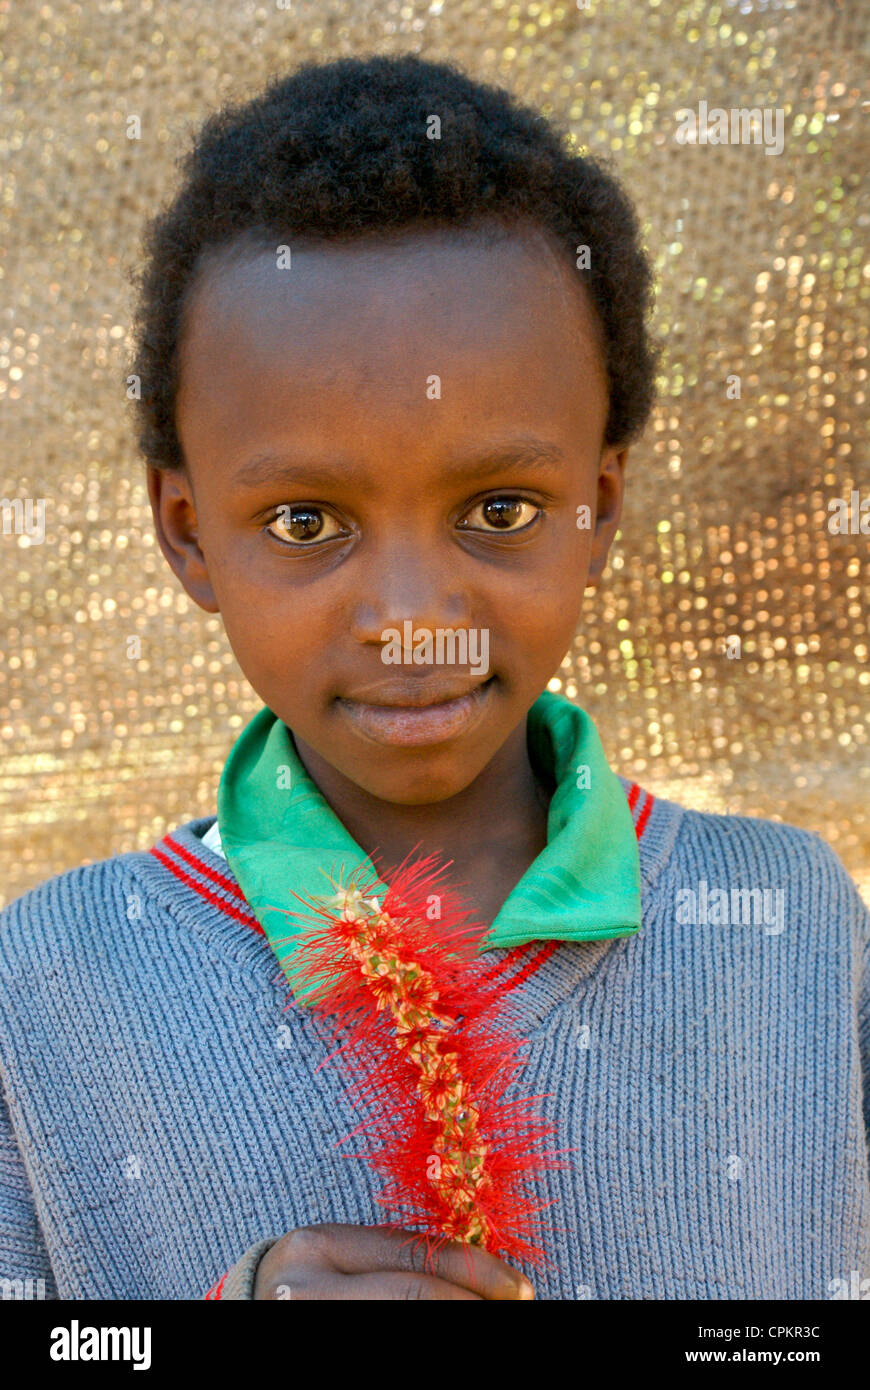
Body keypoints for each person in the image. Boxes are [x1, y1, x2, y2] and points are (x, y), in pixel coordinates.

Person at [1, 54, 867, 1302]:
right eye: (306, 522)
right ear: (188, 532)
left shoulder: (794, 931)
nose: (413, 622)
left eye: (501, 507)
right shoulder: (46, 990)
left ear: (601, 503)